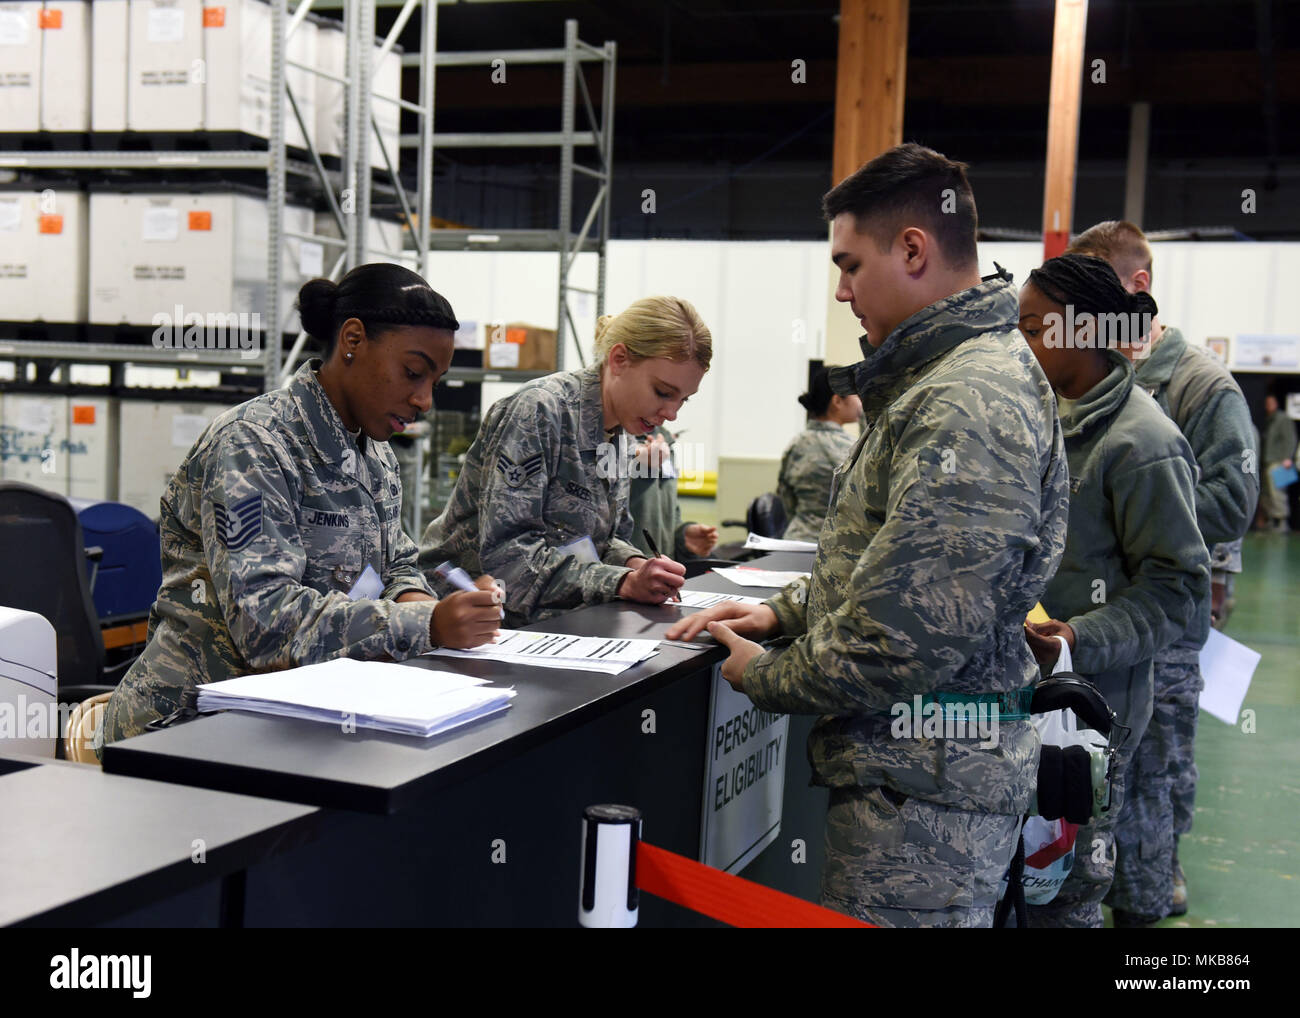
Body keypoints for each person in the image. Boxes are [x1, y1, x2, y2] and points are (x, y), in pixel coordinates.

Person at [668, 143, 1069, 928]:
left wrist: (769, 675)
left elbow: (907, 633)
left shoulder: (966, 399)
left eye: (850, 266)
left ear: (913, 249)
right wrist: (785, 613)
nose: (845, 292)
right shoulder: (939, 380)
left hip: (927, 799)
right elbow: (877, 561)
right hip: (921, 778)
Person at [98, 264, 504, 752]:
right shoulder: (254, 444)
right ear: (352, 339)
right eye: (413, 373)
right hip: (190, 729)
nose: (424, 400)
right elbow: (264, 624)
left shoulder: (376, 456)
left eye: (434, 382)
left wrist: (425, 602)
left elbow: (396, 565)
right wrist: (428, 625)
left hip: (300, 720)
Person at [1067, 221, 1258, 922]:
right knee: (1082, 783)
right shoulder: (1084, 377)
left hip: (1162, 633)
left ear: (1136, 287)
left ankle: (1147, 904)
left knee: (1152, 782)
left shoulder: (1199, 385)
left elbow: (1236, 503)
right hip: (1084, 629)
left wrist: (1131, 514)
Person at [1017, 253, 1210, 928]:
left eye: (1035, 325)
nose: (1021, 339)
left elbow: (1177, 589)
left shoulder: (1141, 442)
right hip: (1021, 705)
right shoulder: (1038, 419)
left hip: (1092, 713)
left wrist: (1079, 636)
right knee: (1021, 883)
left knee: (1067, 895)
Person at [419, 296, 712, 626]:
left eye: (682, 400)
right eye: (662, 392)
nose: (671, 414)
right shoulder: (539, 412)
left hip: (550, 619)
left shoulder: (621, 430)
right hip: (471, 621)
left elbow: (604, 540)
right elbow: (509, 560)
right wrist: (622, 582)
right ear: (619, 360)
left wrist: (636, 564)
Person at [777, 368, 861, 542]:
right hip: (833, 546)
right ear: (837, 401)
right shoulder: (851, 448)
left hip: (793, 541)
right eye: (856, 394)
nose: (861, 402)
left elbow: (786, 499)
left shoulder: (795, 444)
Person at [627, 425, 718, 562]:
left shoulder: (666, 443)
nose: (671, 415)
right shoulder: (604, 441)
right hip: (622, 573)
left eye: (682, 402)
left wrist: (682, 536)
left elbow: (669, 513)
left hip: (658, 570)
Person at [1261, 393, 1297, 532]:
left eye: (1271, 402)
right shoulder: (1269, 420)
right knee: (1268, 493)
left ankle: (1282, 523)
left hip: (1280, 462)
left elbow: (1290, 439)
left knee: (1278, 493)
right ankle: (1272, 520)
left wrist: (1288, 458)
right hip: (1269, 461)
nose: (1268, 406)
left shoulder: (1283, 419)